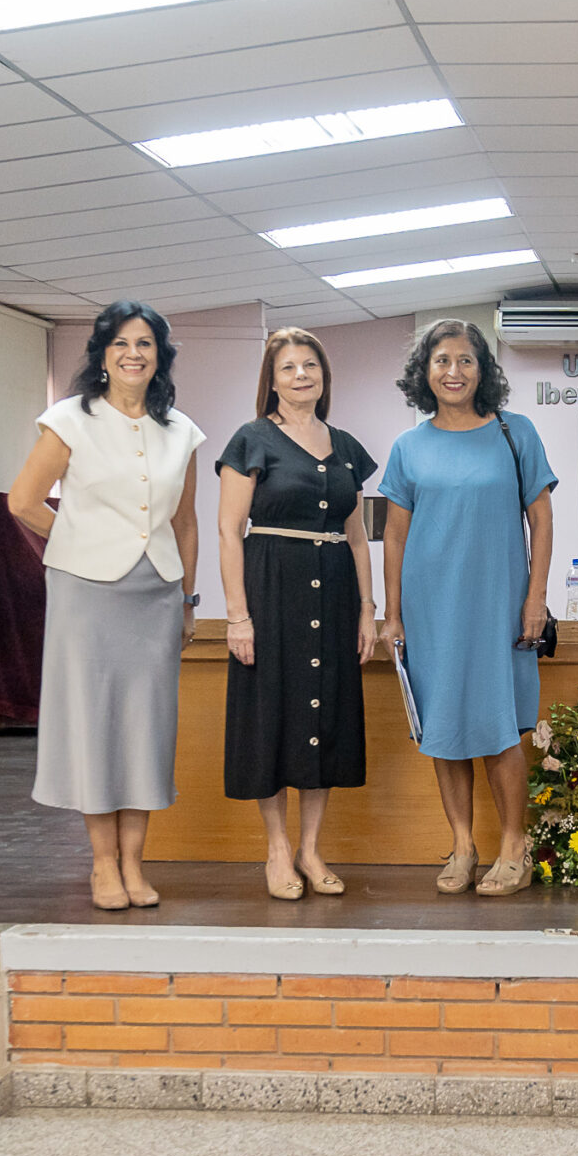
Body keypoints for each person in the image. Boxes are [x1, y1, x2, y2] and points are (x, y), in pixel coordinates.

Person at [6, 301, 202, 911]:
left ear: (160, 357)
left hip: (156, 595)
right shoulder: (69, 419)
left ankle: (136, 865)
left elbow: (186, 522)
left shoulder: (181, 431)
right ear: (102, 354)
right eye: (120, 343)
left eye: (145, 343)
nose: (133, 353)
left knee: (145, 725)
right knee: (95, 722)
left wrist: (188, 599)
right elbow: (23, 501)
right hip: (86, 593)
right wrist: (78, 542)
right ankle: (101, 866)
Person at [377, 319, 557, 897]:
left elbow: (543, 520)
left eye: (465, 361)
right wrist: (393, 613)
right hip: (432, 611)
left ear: (483, 370)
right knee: (445, 729)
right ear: (423, 373)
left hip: (499, 606)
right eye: (441, 361)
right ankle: (462, 844)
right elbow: (396, 539)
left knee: (501, 729)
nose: (453, 372)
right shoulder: (408, 447)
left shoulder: (515, 433)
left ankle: (513, 846)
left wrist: (536, 598)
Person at [216, 327, 380, 900]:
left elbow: (358, 538)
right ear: (273, 380)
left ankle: (312, 849)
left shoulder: (346, 446)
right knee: (274, 717)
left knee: (323, 717)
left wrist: (367, 609)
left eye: (310, 365)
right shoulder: (251, 439)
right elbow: (228, 531)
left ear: (324, 376)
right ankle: (278, 850)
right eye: (288, 368)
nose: (301, 375)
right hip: (271, 590)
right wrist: (238, 615)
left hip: (334, 594)